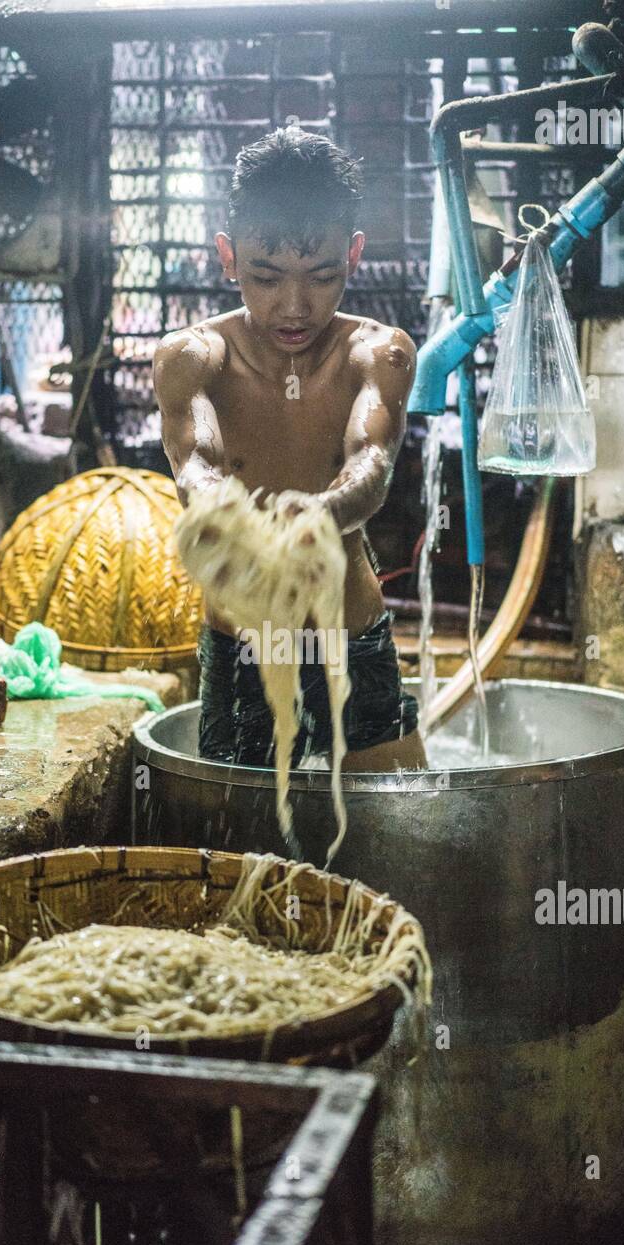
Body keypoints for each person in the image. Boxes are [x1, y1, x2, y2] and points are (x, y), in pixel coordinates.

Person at [154, 124, 426, 772]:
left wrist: (321, 512)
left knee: (394, 837)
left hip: (349, 636)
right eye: (266, 277)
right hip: (241, 646)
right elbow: (195, 460)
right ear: (228, 257)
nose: (294, 305)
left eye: (322, 275)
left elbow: (372, 461)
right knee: (233, 854)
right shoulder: (193, 358)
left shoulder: (377, 353)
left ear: (353, 256)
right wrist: (230, 512)